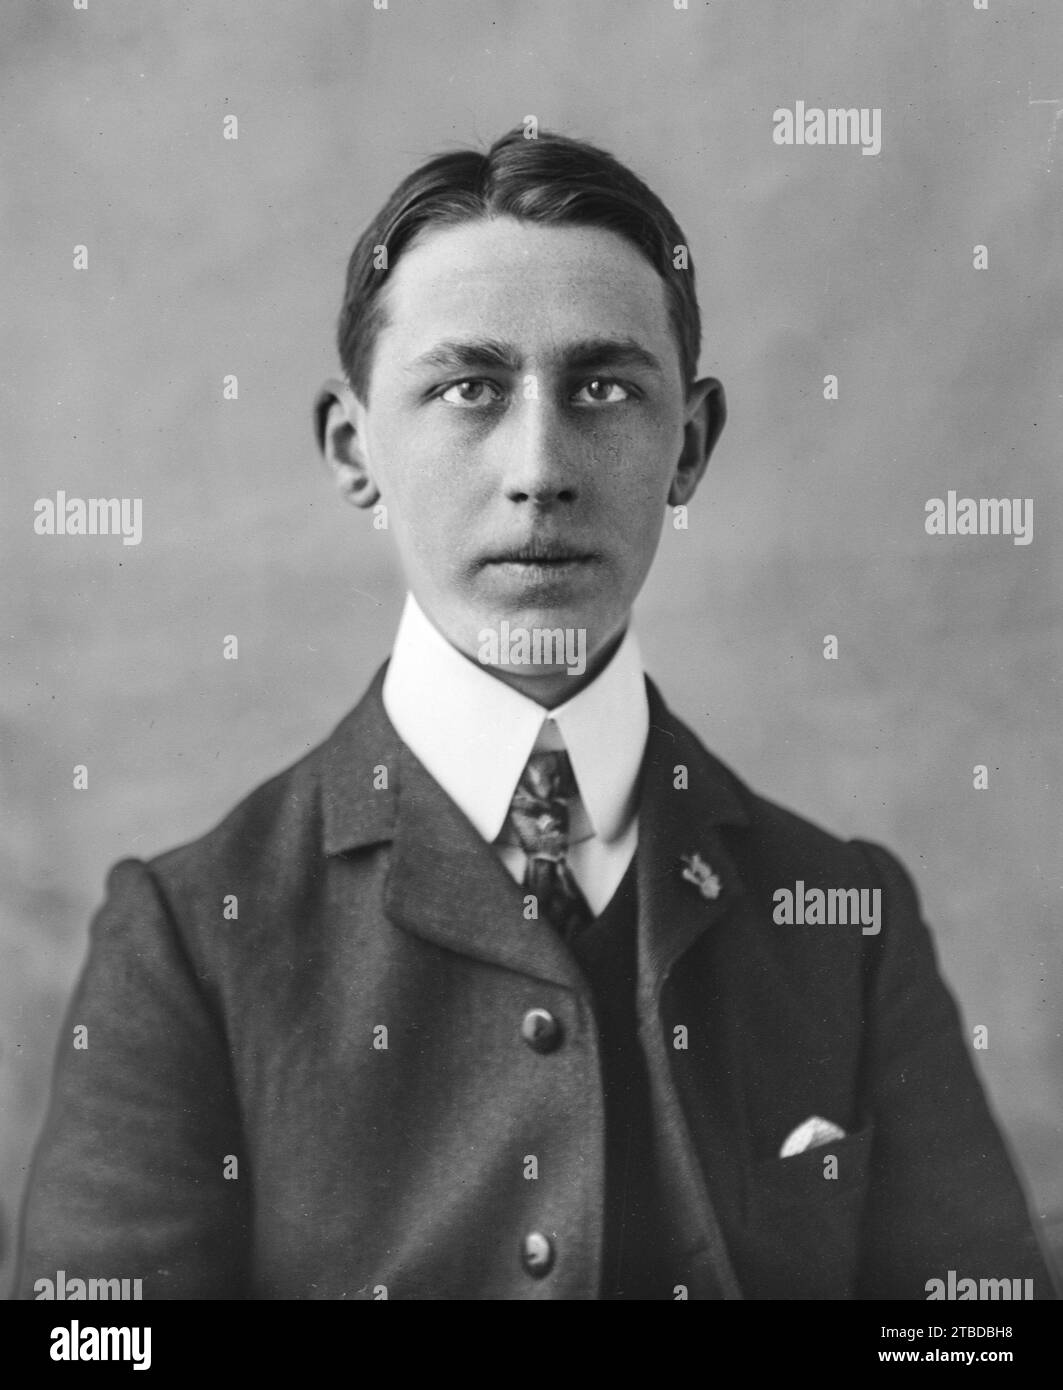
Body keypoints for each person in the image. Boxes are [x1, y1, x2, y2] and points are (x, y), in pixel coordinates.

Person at [16, 128, 1054, 1301]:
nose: (540, 467)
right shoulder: (191, 939)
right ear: (354, 446)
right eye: (468, 389)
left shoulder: (844, 923)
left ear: (691, 445)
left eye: (603, 389)